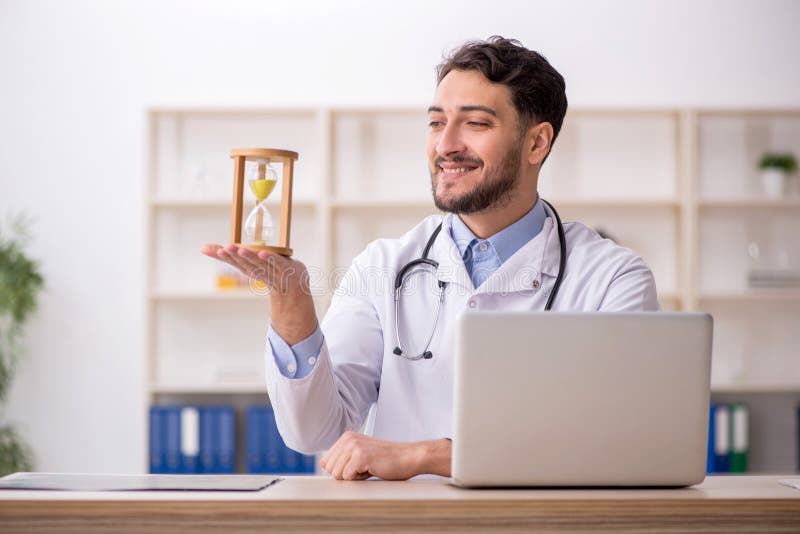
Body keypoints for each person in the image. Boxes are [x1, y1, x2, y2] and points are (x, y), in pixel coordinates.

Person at [201, 36, 658, 481]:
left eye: (475, 124)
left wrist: (426, 456)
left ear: (537, 144)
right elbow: (314, 431)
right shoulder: (381, 267)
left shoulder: (612, 277)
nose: (445, 145)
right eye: (437, 122)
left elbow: (617, 446)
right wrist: (292, 308)